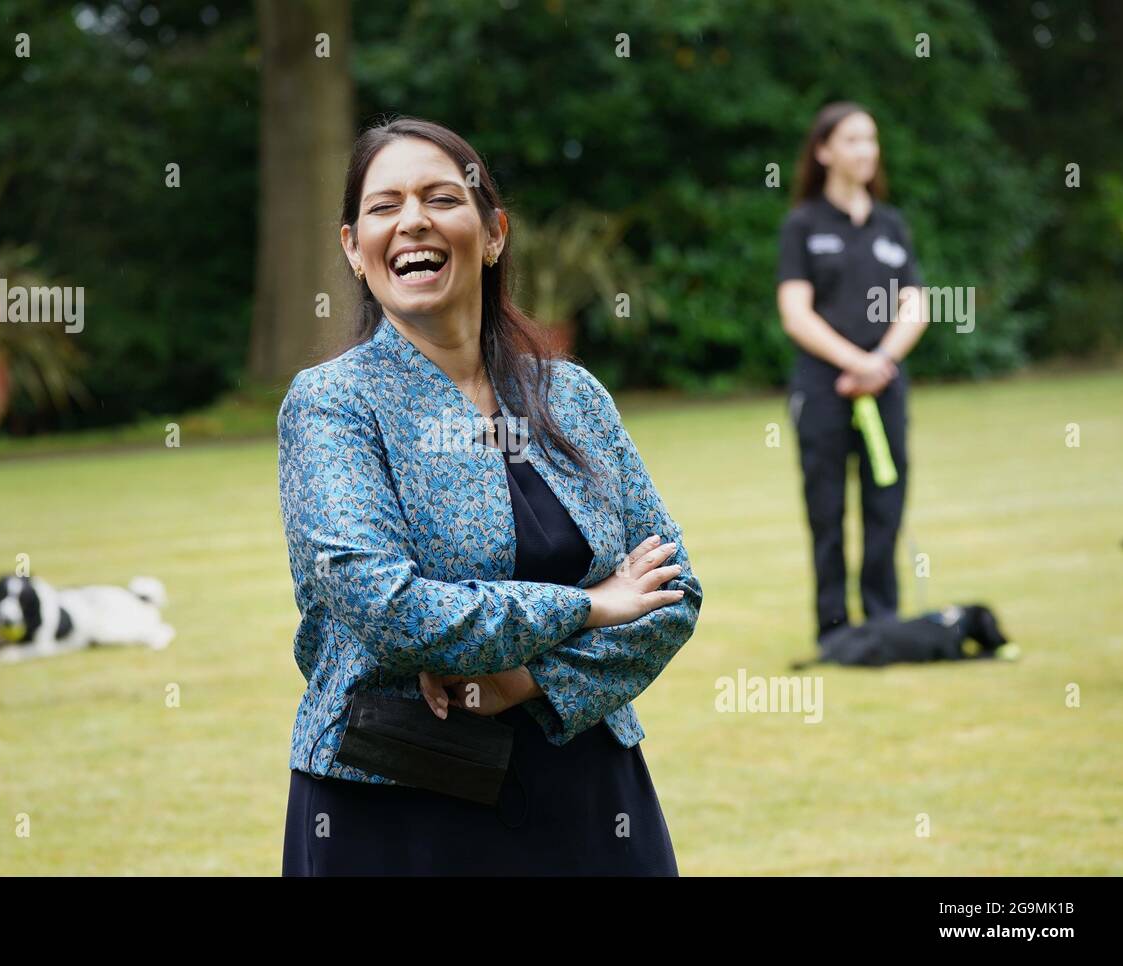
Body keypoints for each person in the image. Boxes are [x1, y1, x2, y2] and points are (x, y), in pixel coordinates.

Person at [277, 117, 705, 875]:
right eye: (384, 207)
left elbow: (672, 589)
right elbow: (387, 610)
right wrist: (590, 604)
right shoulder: (332, 405)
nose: (413, 220)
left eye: (442, 197)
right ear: (353, 247)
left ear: (493, 232)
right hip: (401, 804)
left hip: (588, 794)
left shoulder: (570, 395)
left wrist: (521, 680)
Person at [776, 102, 928, 645]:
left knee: (885, 502)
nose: (867, 150)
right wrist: (853, 363)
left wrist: (879, 362)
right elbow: (796, 313)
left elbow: (916, 305)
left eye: (872, 139)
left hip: (883, 388)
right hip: (823, 390)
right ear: (824, 152)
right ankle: (835, 629)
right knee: (827, 509)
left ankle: (883, 619)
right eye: (853, 140)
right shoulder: (803, 224)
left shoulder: (891, 224)